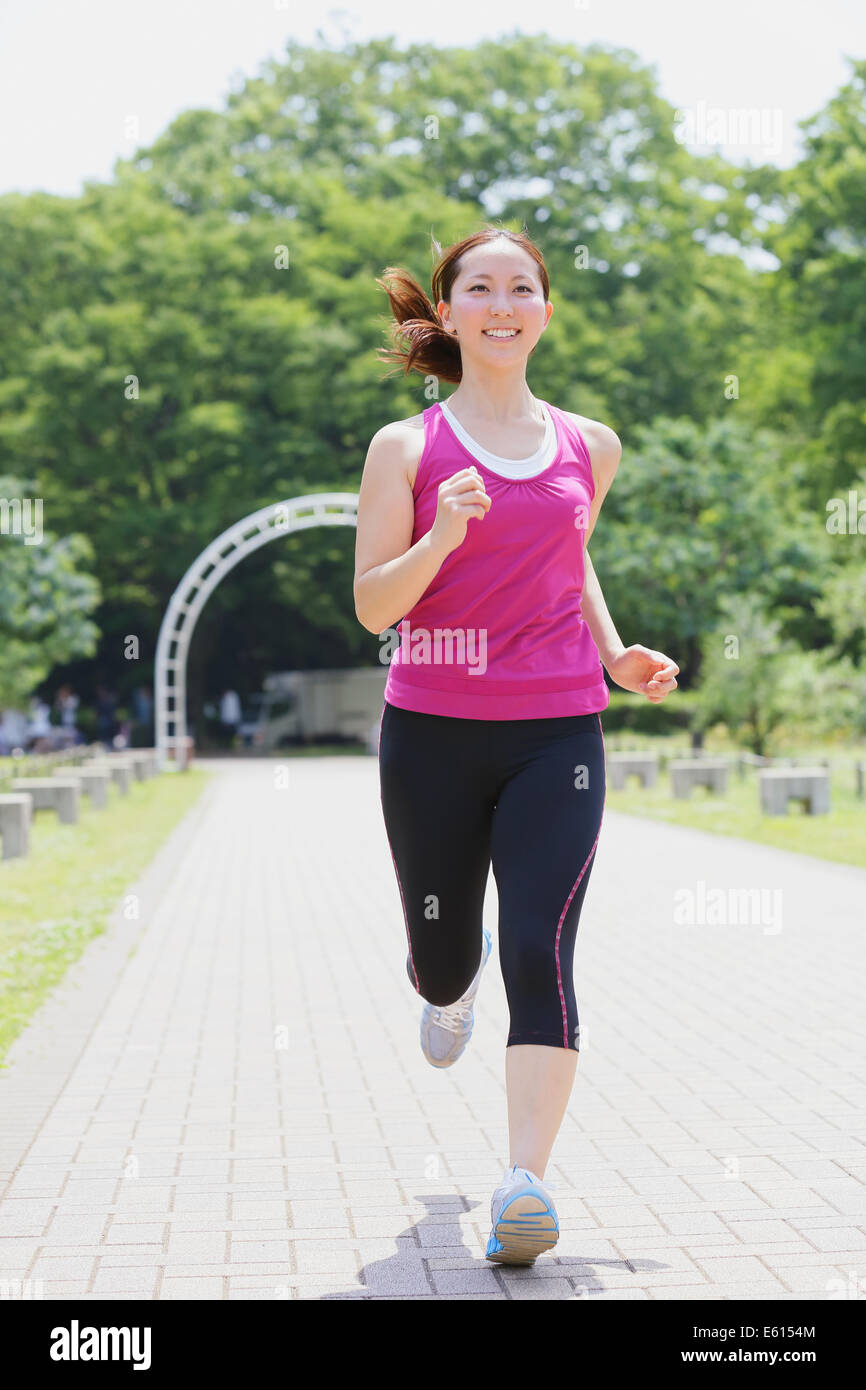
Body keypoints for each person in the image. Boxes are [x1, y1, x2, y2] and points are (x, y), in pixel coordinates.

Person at [355, 224, 680, 1267]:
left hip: (556, 732)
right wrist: (439, 538)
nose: (501, 303)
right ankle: (446, 978)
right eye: (478, 288)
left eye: (521, 287)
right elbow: (370, 606)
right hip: (432, 732)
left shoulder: (592, 444)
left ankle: (521, 1184)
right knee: (448, 953)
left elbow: (567, 556)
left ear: (544, 309)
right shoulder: (404, 449)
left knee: (541, 944)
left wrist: (613, 651)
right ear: (444, 313)